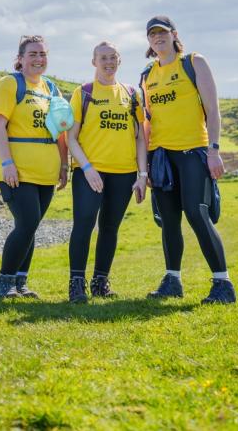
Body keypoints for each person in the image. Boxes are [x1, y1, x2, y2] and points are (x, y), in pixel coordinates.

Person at [140, 15, 236, 304]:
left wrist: (214, 151)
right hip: (161, 157)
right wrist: (143, 167)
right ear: (148, 41)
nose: (158, 38)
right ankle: (172, 281)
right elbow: (146, 123)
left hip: (193, 152)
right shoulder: (147, 75)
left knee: (197, 213)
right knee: (168, 221)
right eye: (152, 35)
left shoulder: (193, 62)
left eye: (163, 33)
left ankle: (223, 284)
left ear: (174, 34)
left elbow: (213, 110)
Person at [64, 42, 148, 303]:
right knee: (84, 225)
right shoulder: (83, 93)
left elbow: (140, 138)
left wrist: (142, 175)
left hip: (123, 173)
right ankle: (76, 283)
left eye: (113, 58)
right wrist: (87, 168)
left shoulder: (132, 94)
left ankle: (101, 282)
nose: (108, 62)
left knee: (110, 228)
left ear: (119, 60)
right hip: (90, 172)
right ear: (94, 62)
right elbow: (71, 137)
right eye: (103, 58)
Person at [0, 35, 69, 299]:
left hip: (46, 172)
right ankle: (4, 283)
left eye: (42, 54)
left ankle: (20, 283)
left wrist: (64, 165)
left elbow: (60, 130)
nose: (38, 59)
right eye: (32, 54)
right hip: (17, 170)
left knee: (31, 226)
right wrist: (7, 162)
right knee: (28, 222)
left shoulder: (51, 89)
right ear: (20, 59)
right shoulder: (9, 84)